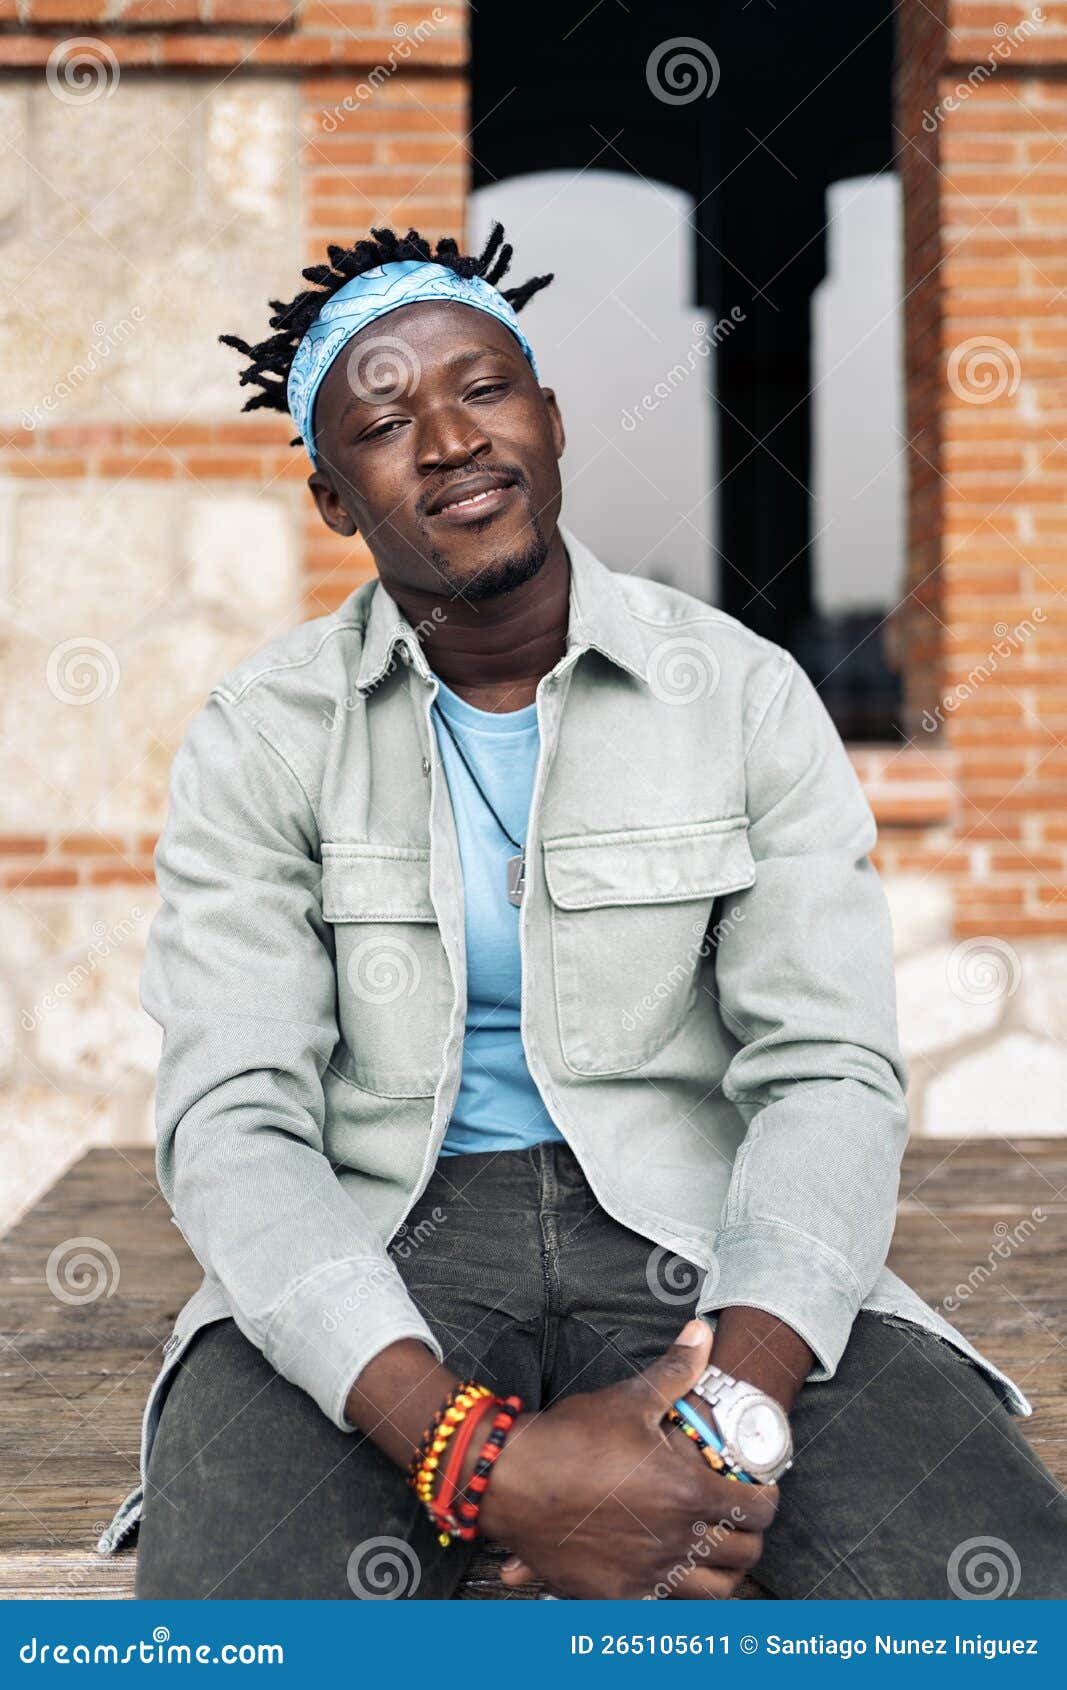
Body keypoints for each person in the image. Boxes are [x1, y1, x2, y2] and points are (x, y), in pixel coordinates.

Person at [97, 224, 1067, 1599]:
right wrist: (470, 1454)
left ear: (547, 421)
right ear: (332, 498)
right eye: (384, 424)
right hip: (379, 1248)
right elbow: (232, 1120)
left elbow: (827, 1074)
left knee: (998, 1595)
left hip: (699, 1244)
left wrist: (726, 1420)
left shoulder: (740, 694)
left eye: (482, 389)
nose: (447, 440)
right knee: (249, 1616)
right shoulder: (260, 735)